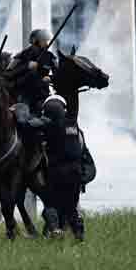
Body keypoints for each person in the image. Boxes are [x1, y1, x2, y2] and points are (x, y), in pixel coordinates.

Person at [24, 94, 85, 240]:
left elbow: (28, 125)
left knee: (51, 203)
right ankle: (79, 235)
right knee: (71, 206)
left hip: (57, 171)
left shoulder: (48, 124)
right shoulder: (73, 124)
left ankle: (55, 229)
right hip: (76, 172)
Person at [10, 29, 58, 111]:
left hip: (42, 95)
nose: (47, 43)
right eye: (43, 40)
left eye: (46, 40)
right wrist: (27, 66)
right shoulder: (23, 55)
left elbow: (58, 74)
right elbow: (10, 73)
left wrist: (50, 78)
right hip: (24, 95)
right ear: (35, 41)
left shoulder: (50, 57)